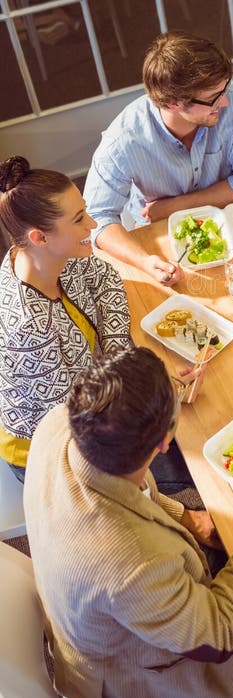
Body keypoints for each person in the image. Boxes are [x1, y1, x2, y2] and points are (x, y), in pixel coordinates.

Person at [23, 346, 233, 698]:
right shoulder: (132, 567)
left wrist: (187, 518)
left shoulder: (59, 423)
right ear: (163, 443)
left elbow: (131, 496)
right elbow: (221, 633)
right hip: (137, 681)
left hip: (92, 617)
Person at [83, 31, 233, 285]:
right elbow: (95, 219)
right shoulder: (123, 140)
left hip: (230, 222)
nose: (225, 102)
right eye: (213, 98)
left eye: (224, 89)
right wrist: (145, 261)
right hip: (161, 235)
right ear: (173, 102)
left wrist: (173, 206)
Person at [0, 155, 131, 482]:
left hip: (97, 397)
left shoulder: (50, 256)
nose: (92, 225)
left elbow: (106, 278)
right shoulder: (27, 328)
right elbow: (74, 419)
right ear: (39, 237)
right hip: (53, 449)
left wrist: (118, 356)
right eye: (79, 219)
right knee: (176, 456)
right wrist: (138, 383)